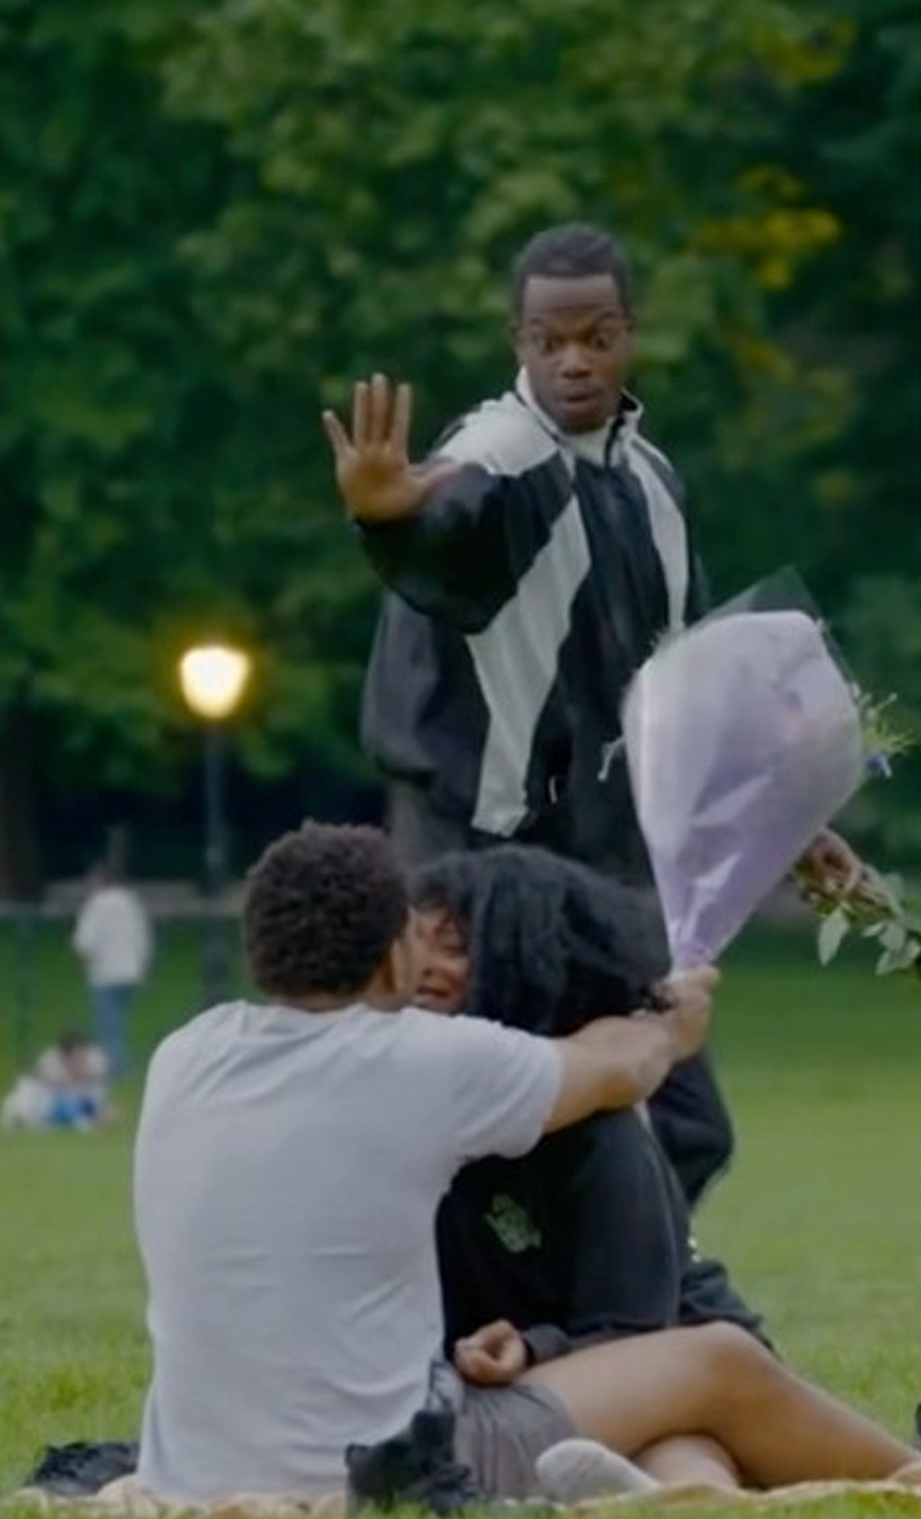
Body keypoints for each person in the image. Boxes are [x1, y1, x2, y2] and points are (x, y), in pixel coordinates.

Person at [321, 220, 859, 1208]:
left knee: (685, 1123)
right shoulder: (495, 459)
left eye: (596, 336)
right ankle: (469, 1325)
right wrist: (386, 516)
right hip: (473, 854)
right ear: (517, 343)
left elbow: (687, 683)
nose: (573, 361)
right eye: (548, 340)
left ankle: (609, 1316)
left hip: (603, 861)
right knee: (465, 1124)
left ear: (629, 334)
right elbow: (442, 528)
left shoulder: (652, 480)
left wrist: (779, 815)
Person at [131, 820, 715, 1506]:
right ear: (388, 962)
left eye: (456, 945)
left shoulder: (182, 1055)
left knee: (685, 1418)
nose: (431, 963)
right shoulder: (425, 1063)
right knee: (715, 1374)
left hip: (192, 1472)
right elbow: (620, 1065)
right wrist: (672, 1023)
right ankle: (862, 1485)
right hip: (384, 1465)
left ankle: (693, 1496)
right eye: (418, 937)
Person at [410, 845, 771, 1363]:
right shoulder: (402, 1098)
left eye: (454, 948)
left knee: (681, 1446)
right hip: (541, 1380)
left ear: (529, 965)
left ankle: (913, 1451)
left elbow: (632, 1338)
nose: (421, 968)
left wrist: (535, 1349)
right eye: (413, 945)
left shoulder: (598, 1135)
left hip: (660, 1367)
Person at [71, 858, 153, 1077]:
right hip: (132, 971)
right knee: (118, 1019)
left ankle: (116, 1067)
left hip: (105, 973)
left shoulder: (97, 904)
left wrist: (82, 957)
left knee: (108, 1024)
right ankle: (118, 1062)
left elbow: (85, 942)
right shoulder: (131, 902)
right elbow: (143, 938)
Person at [0, 1029, 112, 1132]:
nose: (77, 1056)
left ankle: (84, 1120)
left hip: (85, 1098)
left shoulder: (94, 1056)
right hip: (56, 1101)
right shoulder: (52, 1058)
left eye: (79, 1050)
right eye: (73, 1052)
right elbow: (45, 1076)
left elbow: (100, 1075)